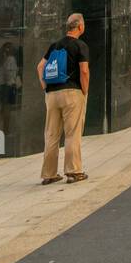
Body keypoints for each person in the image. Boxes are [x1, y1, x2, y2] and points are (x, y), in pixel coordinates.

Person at [37, 12, 90, 186]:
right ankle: (74, 171)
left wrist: (45, 87)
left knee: (51, 135)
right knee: (72, 133)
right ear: (80, 27)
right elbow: (84, 71)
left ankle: (49, 174)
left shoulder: (55, 45)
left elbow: (40, 67)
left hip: (52, 94)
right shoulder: (80, 45)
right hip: (71, 92)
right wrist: (84, 90)